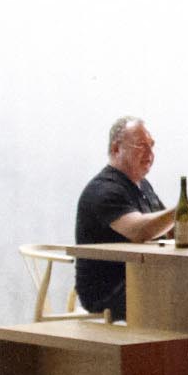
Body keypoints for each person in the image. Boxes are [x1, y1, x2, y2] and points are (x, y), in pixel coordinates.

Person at [68, 115, 173, 319]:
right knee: (186, 292)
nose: (150, 153)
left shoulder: (143, 186)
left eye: (152, 146)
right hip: (109, 291)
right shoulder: (104, 190)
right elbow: (139, 231)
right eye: (142, 146)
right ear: (116, 149)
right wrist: (180, 212)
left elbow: (165, 231)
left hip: (139, 278)